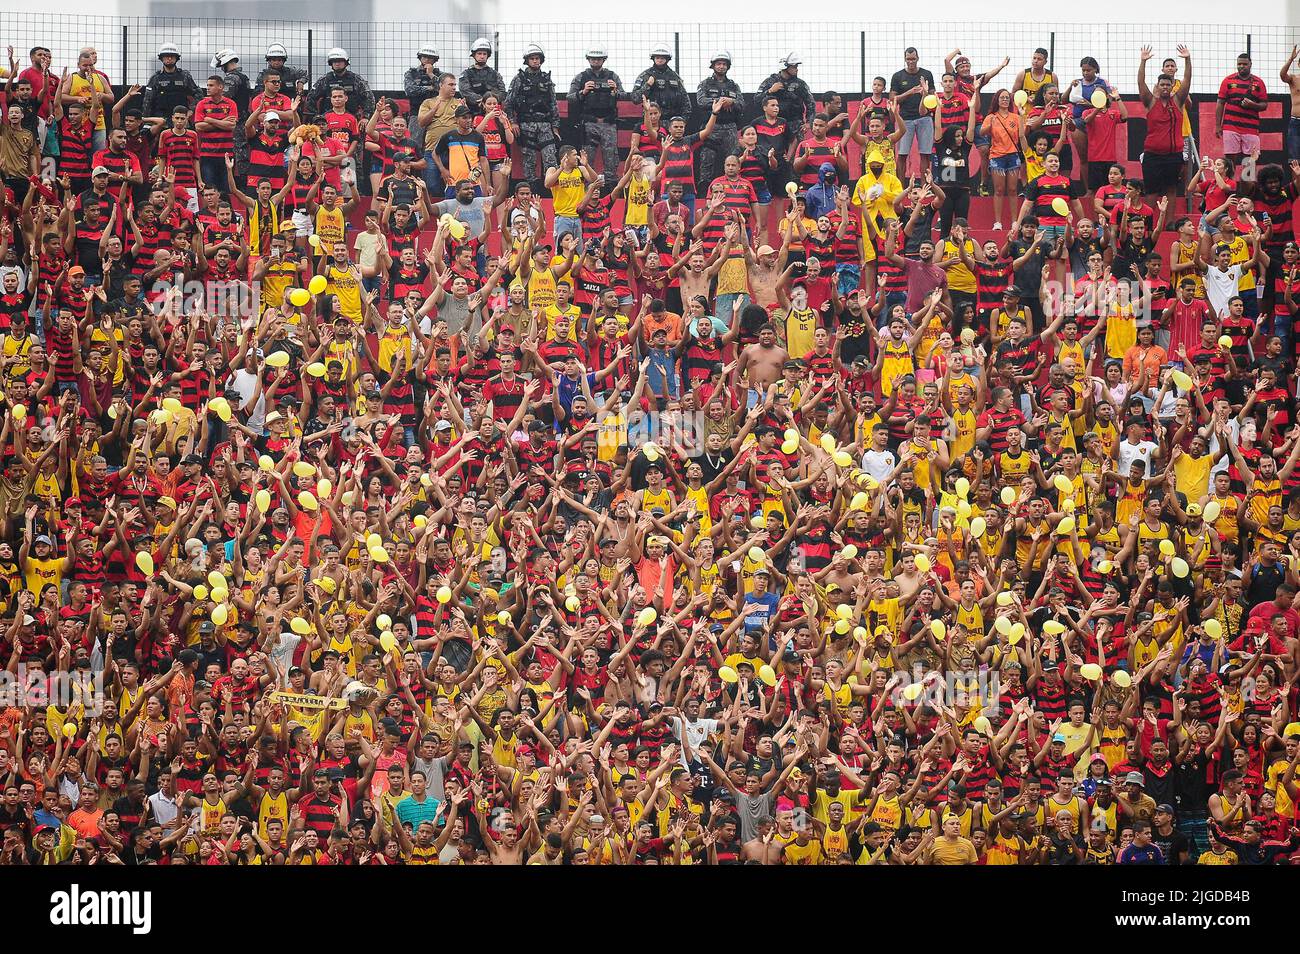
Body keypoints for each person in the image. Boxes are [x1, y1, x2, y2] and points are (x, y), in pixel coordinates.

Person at [568, 48, 624, 178]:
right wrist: (583, 91)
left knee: (611, 159)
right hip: (589, 125)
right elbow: (570, 98)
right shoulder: (581, 77)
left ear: (603, 60)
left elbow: (624, 95)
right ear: (588, 59)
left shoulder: (613, 76)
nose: (596, 61)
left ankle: (610, 188)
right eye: (593, 59)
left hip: (608, 124)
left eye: (598, 59)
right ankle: (589, 186)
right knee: (587, 159)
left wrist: (615, 90)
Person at [890, 47, 936, 181]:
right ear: (905, 59)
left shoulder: (927, 74)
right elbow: (893, 99)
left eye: (913, 59)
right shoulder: (898, 76)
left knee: (925, 154)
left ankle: (925, 186)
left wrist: (925, 93)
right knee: (902, 154)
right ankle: (899, 187)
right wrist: (910, 92)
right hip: (905, 120)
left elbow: (933, 96)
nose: (911, 62)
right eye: (908, 59)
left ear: (918, 58)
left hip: (925, 118)